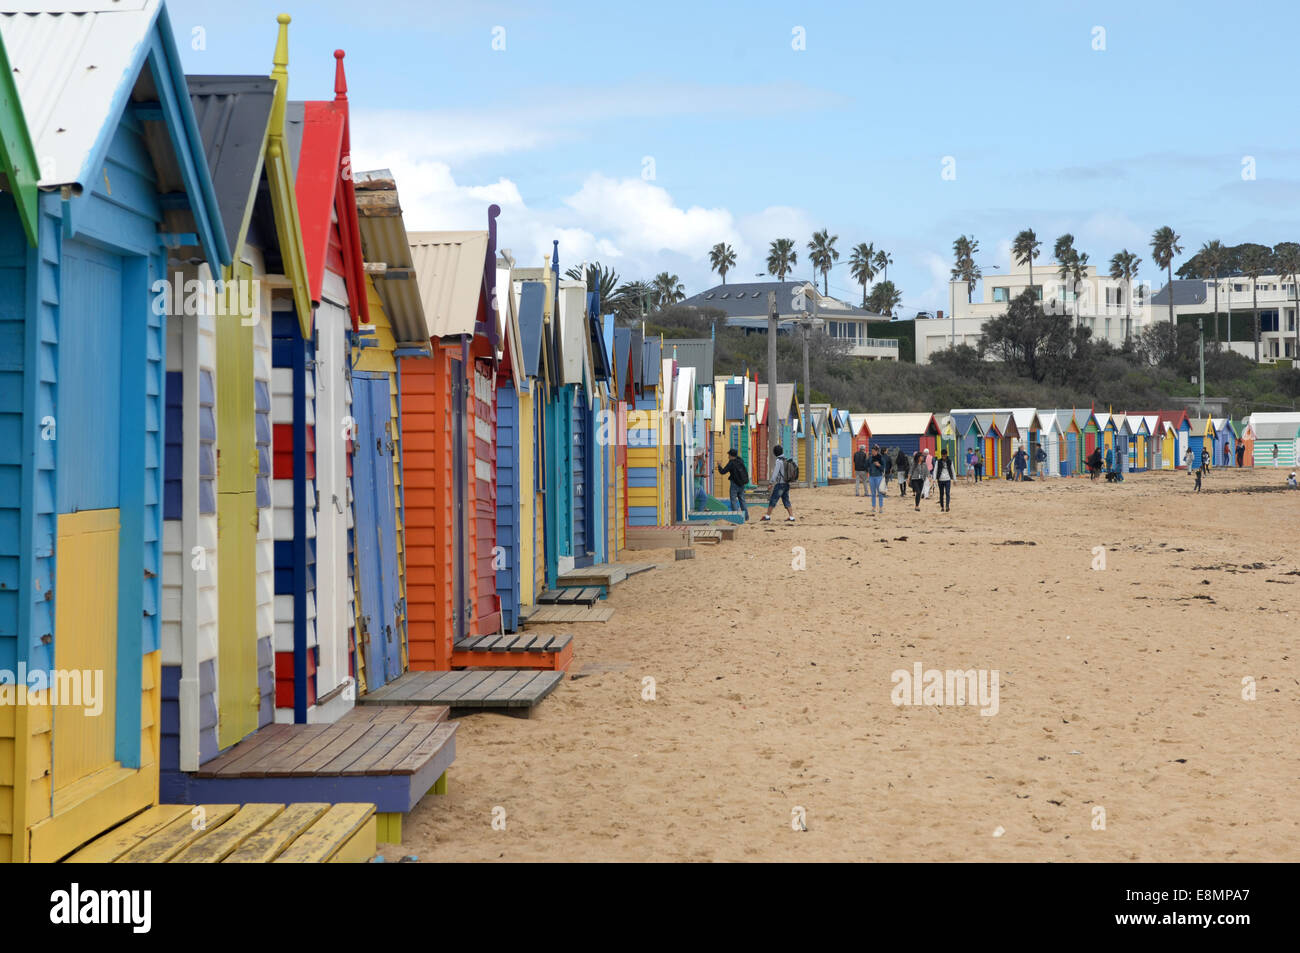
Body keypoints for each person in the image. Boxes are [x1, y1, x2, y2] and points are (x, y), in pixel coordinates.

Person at [760, 445, 796, 522]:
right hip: (786, 484)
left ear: (775, 453)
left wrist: (771, 483)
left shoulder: (778, 461)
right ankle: (791, 517)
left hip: (780, 485)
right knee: (786, 500)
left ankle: (767, 516)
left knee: (773, 499)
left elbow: (775, 473)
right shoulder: (785, 460)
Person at [716, 448, 749, 521]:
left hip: (734, 484)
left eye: (729, 455)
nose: (728, 457)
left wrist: (719, 465)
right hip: (742, 483)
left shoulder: (731, 463)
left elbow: (723, 472)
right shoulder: (740, 460)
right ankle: (746, 517)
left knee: (733, 500)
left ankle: (736, 517)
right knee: (742, 500)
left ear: (731, 455)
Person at [867, 445, 888, 515]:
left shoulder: (881, 458)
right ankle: (873, 507)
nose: (872, 452)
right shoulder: (870, 458)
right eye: (872, 451)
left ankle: (881, 507)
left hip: (879, 477)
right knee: (873, 493)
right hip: (871, 477)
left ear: (877, 451)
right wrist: (869, 470)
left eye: (873, 451)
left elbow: (884, 468)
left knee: (880, 493)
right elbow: (867, 465)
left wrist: (879, 465)